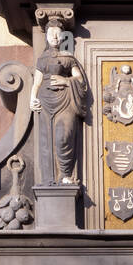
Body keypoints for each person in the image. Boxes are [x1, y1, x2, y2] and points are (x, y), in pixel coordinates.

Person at [30, 18, 88, 185]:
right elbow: (37, 82)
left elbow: (80, 80)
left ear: (63, 37)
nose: (54, 37)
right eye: (51, 33)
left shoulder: (68, 57)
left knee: (64, 137)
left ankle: (65, 174)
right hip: (46, 101)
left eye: (57, 34)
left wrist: (66, 81)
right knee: (48, 139)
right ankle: (52, 178)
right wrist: (32, 97)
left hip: (66, 101)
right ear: (46, 36)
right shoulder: (42, 59)